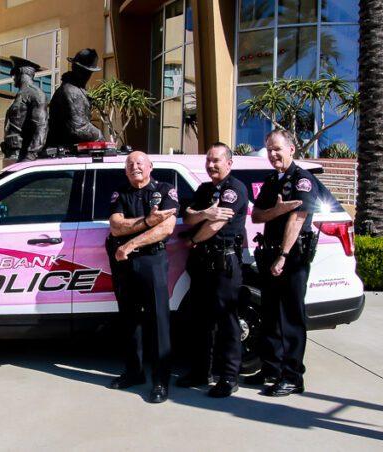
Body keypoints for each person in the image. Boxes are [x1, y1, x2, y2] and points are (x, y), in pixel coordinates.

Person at [249, 129, 319, 397]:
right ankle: (271, 368)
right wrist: (276, 210)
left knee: (290, 318)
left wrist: (284, 255)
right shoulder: (271, 181)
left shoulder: (303, 180)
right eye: (269, 149)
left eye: (277, 148)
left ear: (291, 149)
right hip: (270, 255)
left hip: (291, 258)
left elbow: (298, 219)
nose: (272, 154)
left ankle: (292, 377)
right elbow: (257, 216)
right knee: (270, 316)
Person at [107, 151, 179, 403]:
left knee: (158, 321)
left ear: (150, 166)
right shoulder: (120, 193)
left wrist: (130, 243)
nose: (134, 167)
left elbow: (166, 227)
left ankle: (160, 381)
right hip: (124, 264)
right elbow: (116, 226)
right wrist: (148, 220)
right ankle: (134, 372)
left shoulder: (165, 190)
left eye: (139, 163)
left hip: (151, 260)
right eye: (129, 164)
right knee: (129, 319)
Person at [177, 143, 248, 398]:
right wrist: (205, 212)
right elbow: (188, 216)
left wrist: (194, 238)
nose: (211, 165)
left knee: (227, 321)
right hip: (202, 263)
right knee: (200, 320)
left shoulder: (234, 189)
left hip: (223, 263)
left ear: (229, 163)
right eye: (208, 160)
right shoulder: (205, 189)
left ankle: (229, 377)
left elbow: (217, 223)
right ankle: (200, 371)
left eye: (216, 160)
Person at [45, 48, 104, 150]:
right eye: (87, 72)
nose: (88, 76)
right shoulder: (71, 92)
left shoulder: (76, 89)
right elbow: (78, 129)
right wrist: (99, 135)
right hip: (64, 149)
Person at [0, 56, 48, 161]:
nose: (13, 78)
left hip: (22, 155)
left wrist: (30, 156)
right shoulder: (20, 95)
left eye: (14, 74)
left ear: (20, 72)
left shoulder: (36, 94)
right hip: (11, 152)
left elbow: (41, 127)